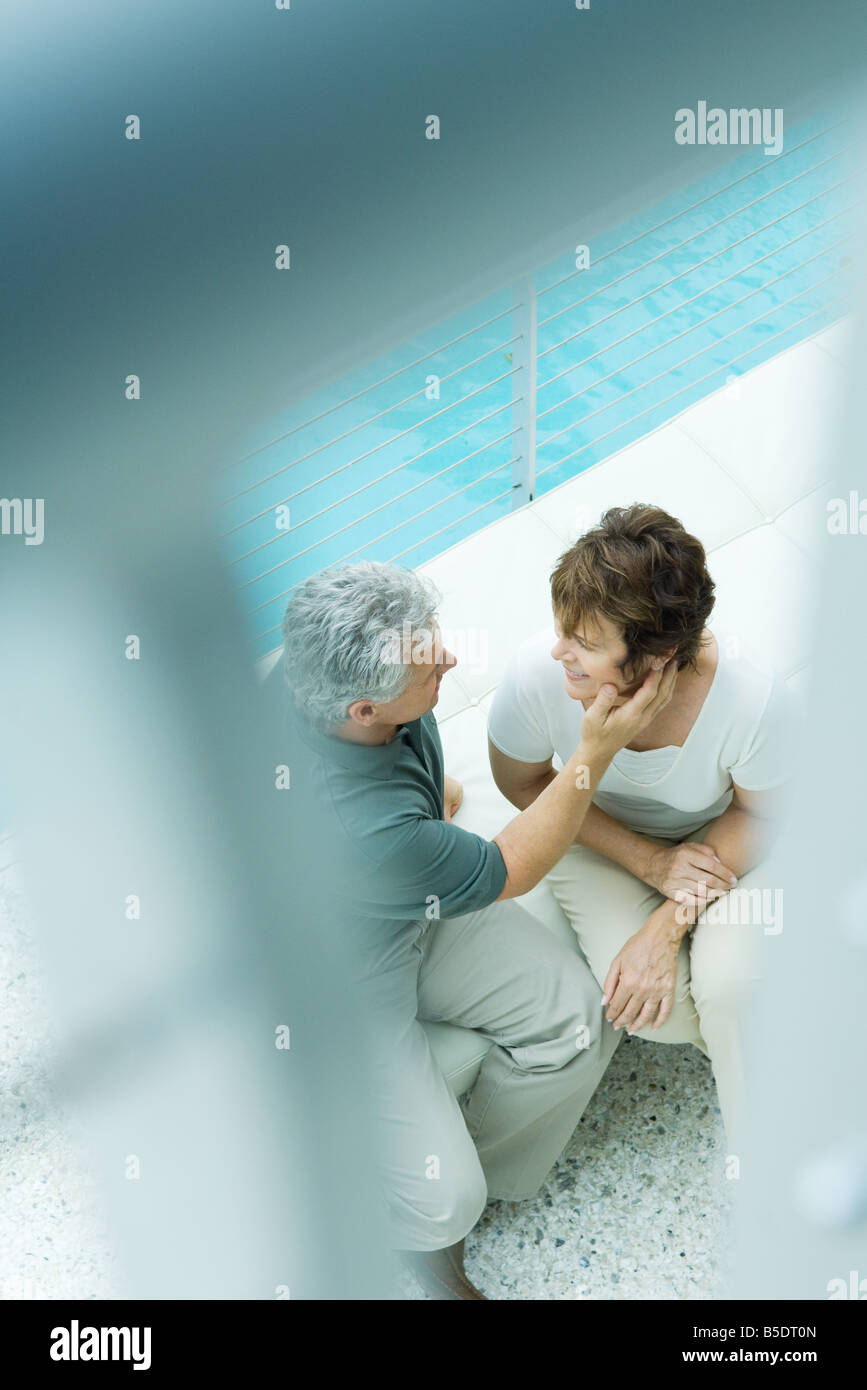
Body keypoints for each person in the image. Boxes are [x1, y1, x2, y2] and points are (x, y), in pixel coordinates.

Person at [265, 560, 676, 1299]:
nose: (448, 659)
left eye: (433, 642)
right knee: (443, 1198)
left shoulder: (318, 675)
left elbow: (418, 796)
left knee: (576, 1023)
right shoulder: (356, 826)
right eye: (428, 666)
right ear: (363, 710)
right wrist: (594, 752)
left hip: (401, 905)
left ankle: (480, 1170)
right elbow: (508, 870)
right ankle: (422, 1226)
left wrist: (435, 805)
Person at [487, 504, 799, 1151]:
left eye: (586, 643)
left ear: (657, 656)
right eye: (562, 630)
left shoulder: (752, 699)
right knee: (658, 1015)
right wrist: (645, 859)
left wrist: (668, 920)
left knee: (732, 989)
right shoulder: (535, 677)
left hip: (721, 836)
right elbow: (522, 784)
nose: (558, 652)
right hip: (588, 834)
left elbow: (763, 812)